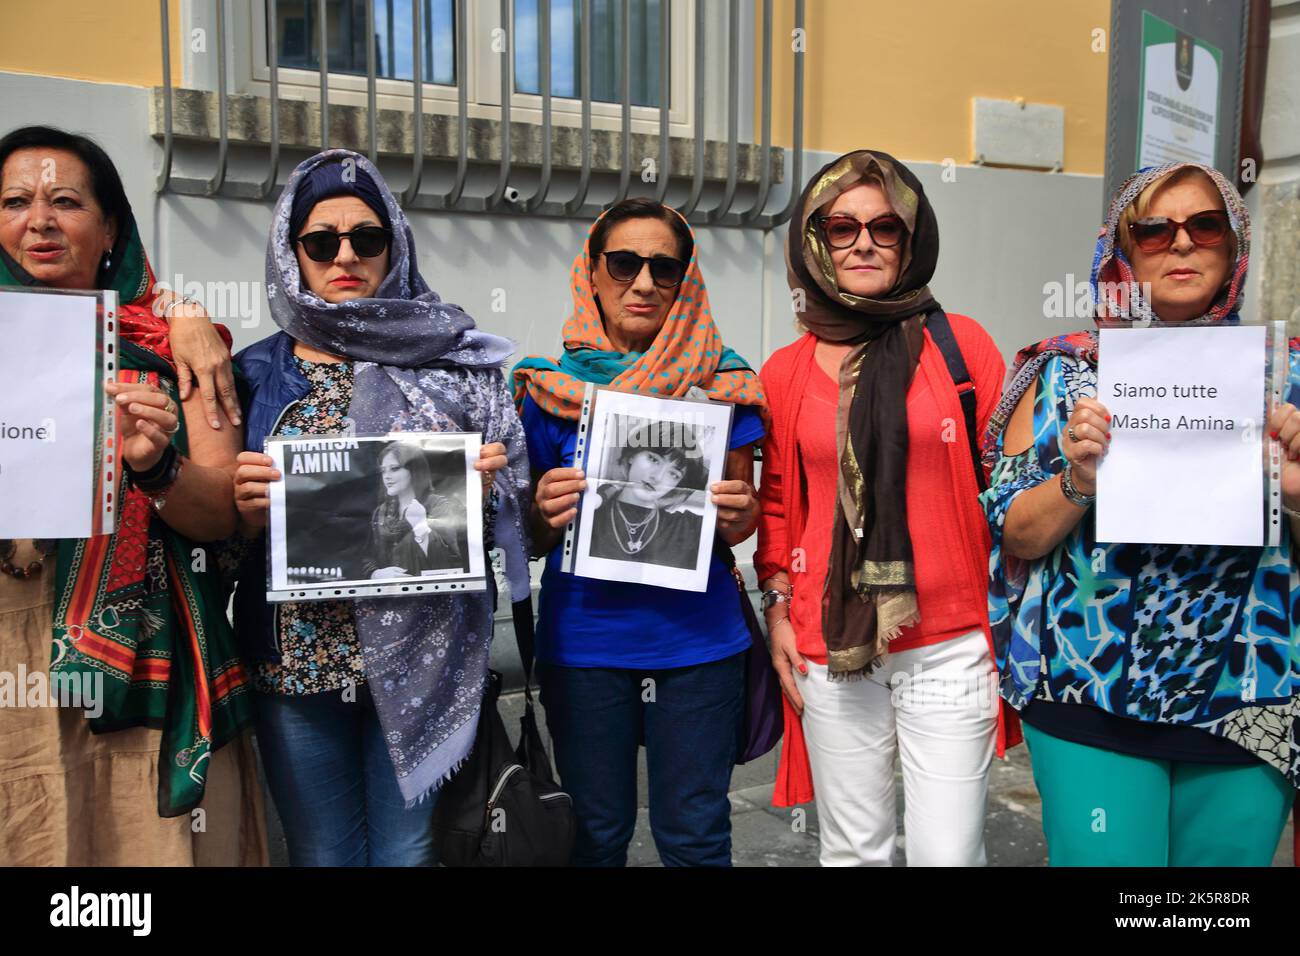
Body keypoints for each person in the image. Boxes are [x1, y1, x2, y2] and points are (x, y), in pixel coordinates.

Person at [981, 161, 1299, 866]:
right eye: (1154, 229)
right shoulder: (1059, 374)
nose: (1181, 244)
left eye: (1205, 224)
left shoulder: (1288, 377)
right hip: (1087, 690)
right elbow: (1015, 533)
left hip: (1248, 695)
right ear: (1123, 250)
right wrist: (1080, 478)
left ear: (1234, 245)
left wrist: (1294, 485)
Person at [229, 149, 531, 866]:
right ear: (289, 252)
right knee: (323, 855)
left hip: (425, 660)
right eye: (320, 241)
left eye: (367, 238)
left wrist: (482, 494)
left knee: (406, 854)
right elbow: (218, 538)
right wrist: (243, 509)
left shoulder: (456, 361)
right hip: (298, 664)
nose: (345, 256)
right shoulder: (252, 375)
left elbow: (520, 519)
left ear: (394, 245)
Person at [0, 125, 266, 865]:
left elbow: (220, 515)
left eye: (67, 201)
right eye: (16, 201)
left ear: (110, 223)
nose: (41, 220)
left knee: (137, 847)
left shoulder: (179, 345)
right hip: (11, 649)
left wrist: (157, 469)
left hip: (151, 649)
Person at [755, 149, 1015, 867]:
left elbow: (1009, 487)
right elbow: (777, 501)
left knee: (948, 854)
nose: (863, 241)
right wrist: (776, 606)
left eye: (884, 227)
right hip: (831, 642)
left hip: (949, 644)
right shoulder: (787, 368)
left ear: (911, 240)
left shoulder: (961, 346)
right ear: (816, 243)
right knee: (853, 853)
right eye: (841, 227)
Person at [513, 197, 768, 866]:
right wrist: (542, 509)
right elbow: (531, 538)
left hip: (698, 646)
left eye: (665, 267)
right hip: (585, 646)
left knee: (695, 835)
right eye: (624, 263)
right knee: (595, 835)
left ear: (686, 281)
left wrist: (741, 517)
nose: (645, 283)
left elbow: (737, 524)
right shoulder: (545, 391)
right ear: (591, 271)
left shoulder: (724, 386)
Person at [588, 422, 708, 569]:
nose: (657, 477)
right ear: (632, 455)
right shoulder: (592, 509)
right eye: (653, 459)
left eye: (673, 474)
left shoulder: (688, 528)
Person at [365, 441, 463, 578]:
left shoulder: (438, 505)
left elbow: (450, 562)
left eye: (394, 468)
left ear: (414, 470)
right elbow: (367, 558)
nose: (386, 476)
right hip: (388, 594)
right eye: (383, 470)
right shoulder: (380, 512)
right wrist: (377, 574)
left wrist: (420, 527)